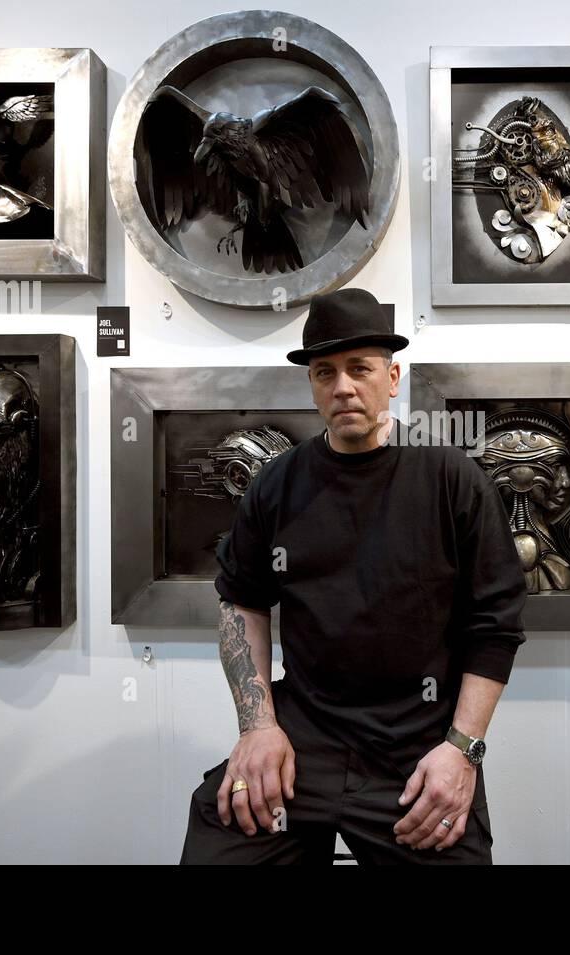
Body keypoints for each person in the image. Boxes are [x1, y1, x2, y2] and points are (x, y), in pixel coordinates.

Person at [180, 287, 528, 864]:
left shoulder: (452, 481)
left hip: (416, 750)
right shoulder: (278, 484)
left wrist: (462, 752)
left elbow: (495, 628)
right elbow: (242, 602)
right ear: (313, 386)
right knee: (220, 833)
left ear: (391, 378)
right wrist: (258, 727)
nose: (343, 386)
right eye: (325, 372)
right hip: (302, 740)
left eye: (359, 369)